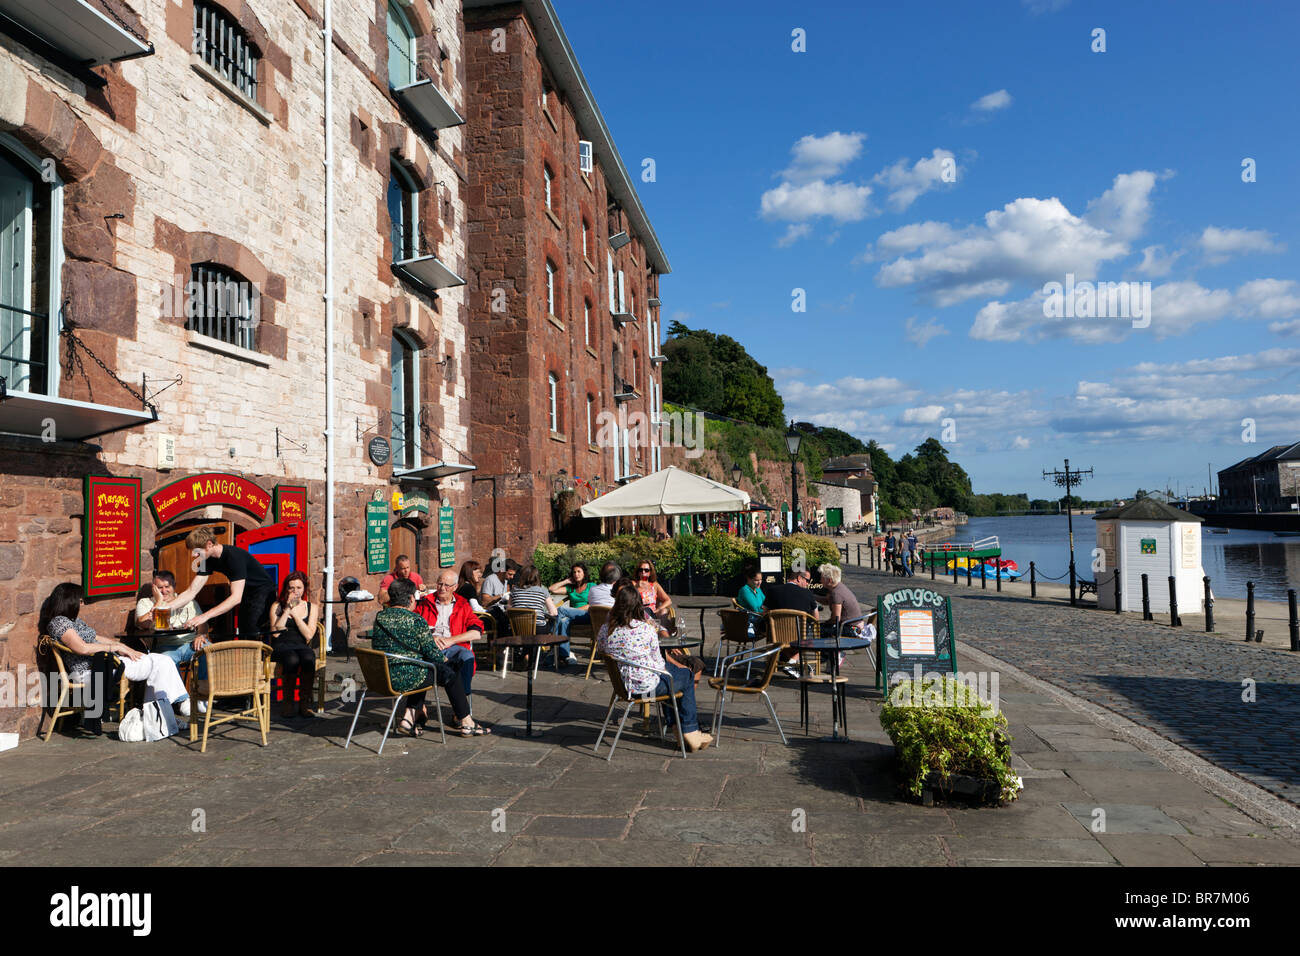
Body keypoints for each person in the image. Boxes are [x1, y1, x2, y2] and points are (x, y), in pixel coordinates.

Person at [40, 583, 191, 728]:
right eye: (80, 600)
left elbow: (96, 637)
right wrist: (115, 647)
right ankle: (169, 711)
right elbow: (82, 648)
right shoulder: (59, 623)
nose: (82, 604)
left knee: (161, 661)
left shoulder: (73, 621)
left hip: (106, 663)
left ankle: (161, 716)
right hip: (90, 670)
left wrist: (122, 646)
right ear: (69, 600)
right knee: (161, 662)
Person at [597, 586, 712, 752]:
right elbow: (659, 666)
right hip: (647, 687)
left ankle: (678, 732)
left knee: (670, 679)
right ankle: (690, 730)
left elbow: (602, 650)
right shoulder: (646, 629)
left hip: (623, 686)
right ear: (638, 606)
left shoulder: (606, 629)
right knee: (685, 675)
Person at [371, 578, 488, 736]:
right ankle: (467, 722)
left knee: (421, 668)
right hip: (405, 677)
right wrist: (447, 663)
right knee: (449, 673)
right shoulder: (416, 620)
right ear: (411, 598)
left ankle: (408, 719)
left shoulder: (379, 618)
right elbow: (433, 654)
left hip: (381, 677)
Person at [173, 527, 276, 639]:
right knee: (244, 633)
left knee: (252, 631)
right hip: (246, 593)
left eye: (197, 551)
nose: (194, 556)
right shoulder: (206, 561)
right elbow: (191, 591)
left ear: (209, 544)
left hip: (263, 591)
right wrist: (164, 608)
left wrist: (204, 617)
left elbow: (236, 598)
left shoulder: (234, 557)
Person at [133, 571, 210, 707]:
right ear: (154, 588)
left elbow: (203, 623)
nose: (164, 590)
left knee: (208, 650)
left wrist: (200, 635)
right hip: (165, 646)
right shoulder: (145, 603)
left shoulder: (187, 600)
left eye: (167, 586)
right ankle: (182, 701)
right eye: (160, 587)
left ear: (174, 586)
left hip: (190, 643)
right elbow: (142, 623)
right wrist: (159, 602)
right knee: (165, 661)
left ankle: (203, 695)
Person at [414, 569, 483, 698]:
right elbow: (412, 627)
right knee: (418, 660)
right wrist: (430, 638)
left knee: (467, 655)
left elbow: (477, 632)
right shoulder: (426, 603)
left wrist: (451, 640)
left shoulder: (463, 604)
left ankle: (461, 703)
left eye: (447, 585)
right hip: (429, 647)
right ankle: (417, 708)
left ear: (455, 587)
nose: (442, 588)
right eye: (439, 584)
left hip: (453, 648)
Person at [268, 571, 320, 718]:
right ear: (286, 589)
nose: (295, 592)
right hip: (281, 645)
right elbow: (276, 633)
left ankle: (304, 703)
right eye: (291, 588)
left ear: (304, 589)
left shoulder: (311, 607)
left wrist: (296, 615)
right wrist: (287, 610)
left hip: (301, 645)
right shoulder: (277, 606)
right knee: (292, 659)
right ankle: (288, 703)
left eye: (299, 588)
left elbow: (309, 635)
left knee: (309, 657)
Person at [762, 567, 820, 678]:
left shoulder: (773, 590)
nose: (808, 584)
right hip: (799, 636)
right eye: (807, 580)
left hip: (776, 635)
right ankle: (792, 663)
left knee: (779, 637)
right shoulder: (808, 594)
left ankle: (789, 662)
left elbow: (764, 613)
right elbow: (816, 618)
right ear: (798, 578)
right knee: (811, 632)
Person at [548, 562, 591, 665]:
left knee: (561, 610)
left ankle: (552, 643)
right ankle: (564, 655)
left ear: (584, 573)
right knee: (563, 620)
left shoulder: (591, 586)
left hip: (585, 615)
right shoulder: (570, 588)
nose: (576, 574)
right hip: (571, 616)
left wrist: (574, 611)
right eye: (574, 572)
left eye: (579, 571)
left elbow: (591, 605)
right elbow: (551, 589)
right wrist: (566, 581)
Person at [632, 559, 674, 633]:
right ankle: (662, 634)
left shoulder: (654, 585)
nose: (643, 572)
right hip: (638, 614)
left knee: (663, 611)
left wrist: (658, 609)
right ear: (638, 572)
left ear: (650, 572)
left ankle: (662, 634)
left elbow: (668, 600)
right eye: (641, 570)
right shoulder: (633, 584)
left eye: (646, 570)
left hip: (652, 615)